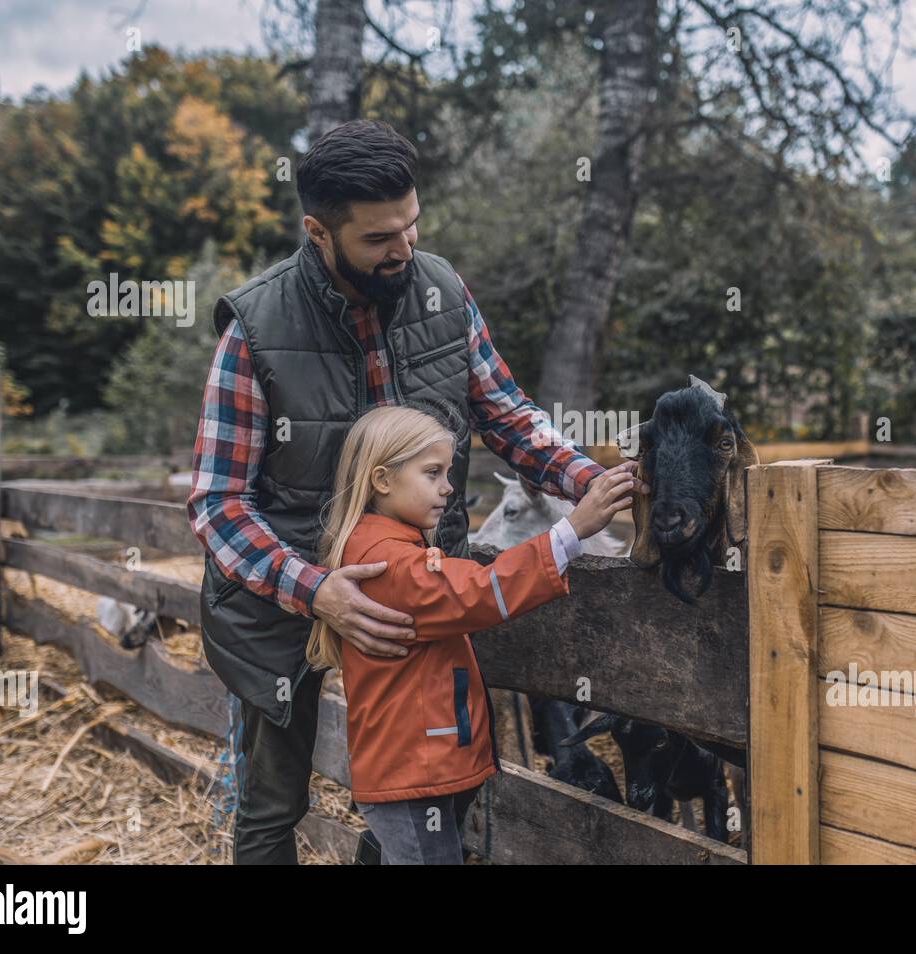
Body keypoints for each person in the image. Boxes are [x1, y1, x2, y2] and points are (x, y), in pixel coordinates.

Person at [186, 117, 646, 863]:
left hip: (416, 589)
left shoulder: (440, 289)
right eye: (378, 239)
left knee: (423, 787)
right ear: (318, 231)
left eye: (411, 226)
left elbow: (508, 415)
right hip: (282, 605)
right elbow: (217, 504)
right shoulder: (255, 330)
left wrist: (591, 480)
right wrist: (317, 590)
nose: (403, 249)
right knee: (275, 805)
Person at [306, 403, 634, 864]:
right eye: (433, 473)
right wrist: (571, 532)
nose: (448, 487)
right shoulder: (389, 560)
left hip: (416, 769)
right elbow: (478, 591)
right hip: (412, 774)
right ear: (382, 481)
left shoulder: (387, 544)